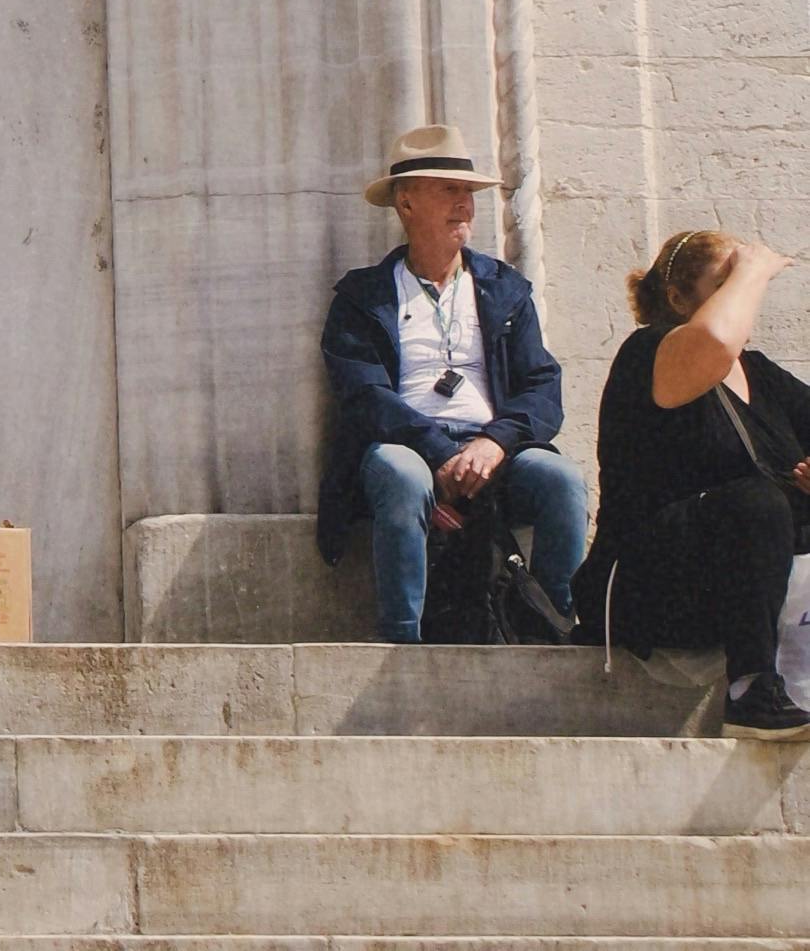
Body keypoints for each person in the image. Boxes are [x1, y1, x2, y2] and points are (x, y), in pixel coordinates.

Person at [317, 123, 587, 645]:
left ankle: (555, 628)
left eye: (468, 193)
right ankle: (402, 640)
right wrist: (439, 450)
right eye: (448, 190)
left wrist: (495, 441)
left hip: (492, 447)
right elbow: (364, 395)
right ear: (406, 202)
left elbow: (542, 384)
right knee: (400, 475)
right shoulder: (362, 296)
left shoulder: (504, 288)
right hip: (407, 447)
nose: (464, 204)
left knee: (561, 481)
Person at [576, 228, 810, 737]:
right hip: (648, 586)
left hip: (743, 589)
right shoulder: (650, 352)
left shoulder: (761, 374)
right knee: (758, 503)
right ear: (679, 298)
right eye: (724, 282)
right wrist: (752, 268)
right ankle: (752, 691)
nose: (743, 294)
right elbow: (714, 340)